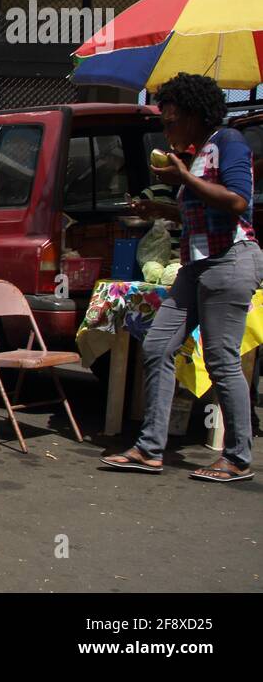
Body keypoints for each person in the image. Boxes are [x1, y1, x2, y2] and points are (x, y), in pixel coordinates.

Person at [102, 72, 258, 482]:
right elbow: (201, 212)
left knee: (221, 360)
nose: (167, 129)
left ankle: (238, 457)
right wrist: (163, 208)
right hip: (196, 264)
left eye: (172, 121)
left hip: (230, 261)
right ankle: (150, 448)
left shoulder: (228, 144)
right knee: (157, 345)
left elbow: (238, 201)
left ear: (194, 115)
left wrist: (185, 177)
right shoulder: (200, 152)